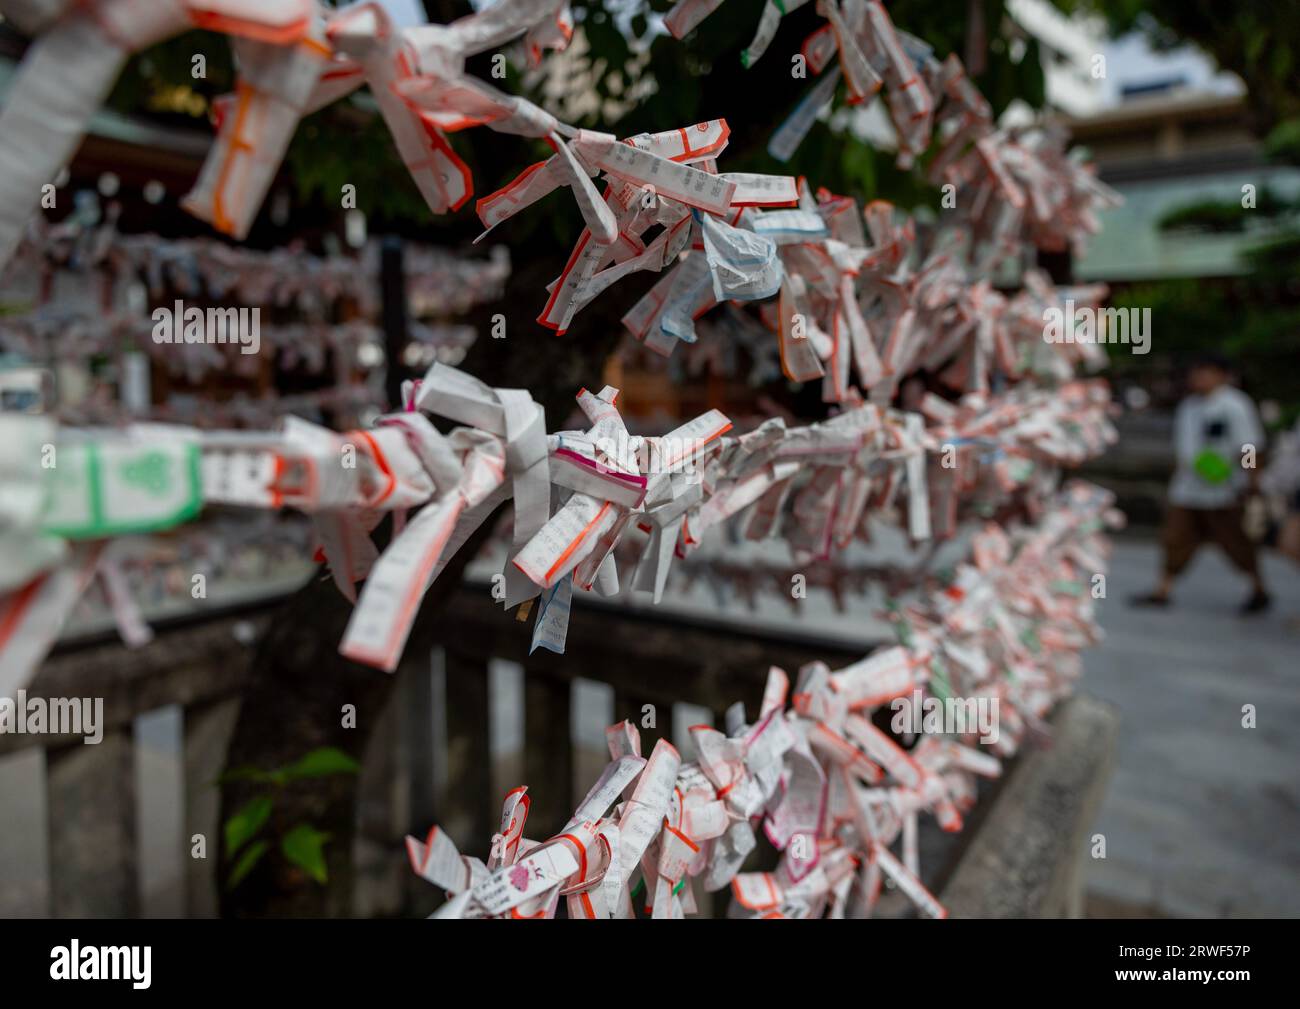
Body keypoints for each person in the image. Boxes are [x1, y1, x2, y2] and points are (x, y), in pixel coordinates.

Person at [1133, 353, 1271, 614]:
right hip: (1187, 488)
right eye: (1195, 373)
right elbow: (1184, 449)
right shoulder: (1189, 406)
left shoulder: (1235, 405)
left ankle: (1258, 589)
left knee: (1237, 541)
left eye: (1205, 372)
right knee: (1175, 538)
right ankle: (1162, 589)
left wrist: (1251, 480)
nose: (1198, 378)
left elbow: (1250, 447)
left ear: (1221, 375)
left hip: (1225, 489)